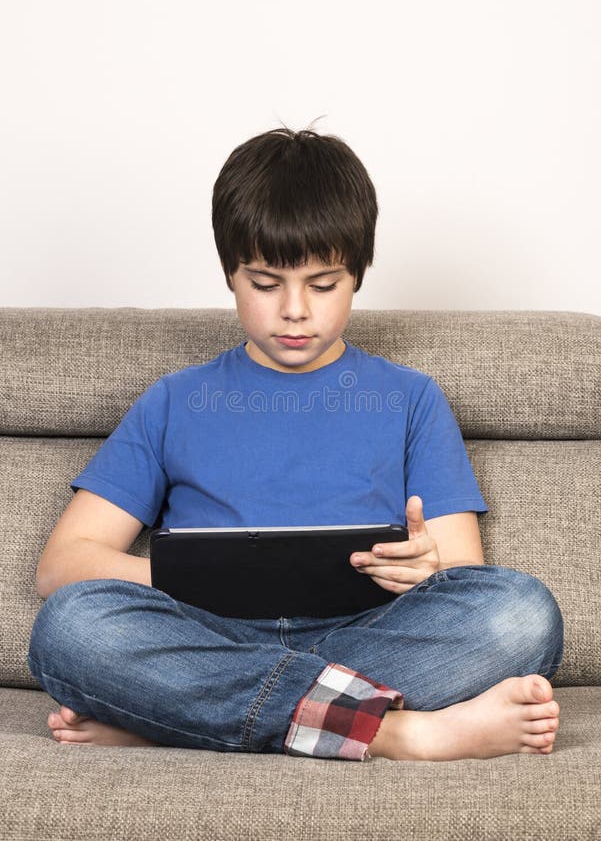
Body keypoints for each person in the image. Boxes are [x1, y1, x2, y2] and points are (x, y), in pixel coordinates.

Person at [28, 126, 564, 762]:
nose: (294, 310)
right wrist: (193, 579)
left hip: (361, 630)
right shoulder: (174, 401)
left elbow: (461, 571)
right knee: (69, 628)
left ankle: (182, 718)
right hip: (207, 631)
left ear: (358, 275)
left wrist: (426, 568)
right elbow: (61, 566)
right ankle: (395, 731)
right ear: (230, 272)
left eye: (322, 283)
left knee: (521, 613)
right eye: (264, 283)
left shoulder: (411, 398)